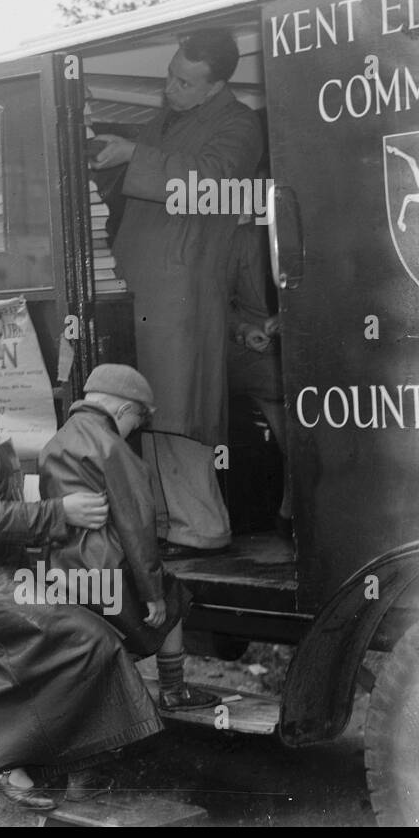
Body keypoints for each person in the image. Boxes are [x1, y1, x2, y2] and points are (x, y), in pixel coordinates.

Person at [0, 290, 164, 825]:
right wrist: (58, 512)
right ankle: (42, 763)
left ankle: (10, 759)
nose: (0, 352)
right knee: (88, 640)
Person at [92, 28, 265, 558]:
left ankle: (202, 526)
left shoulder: (239, 125)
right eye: (170, 74)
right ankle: (172, 525)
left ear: (216, 86)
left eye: (185, 82)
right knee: (151, 408)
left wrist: (134, 155)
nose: (171, 87)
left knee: (178, 409)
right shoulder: (167, 118)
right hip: (143, 286)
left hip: (180, 290)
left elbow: (208, 181)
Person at [40, 364, 221, 710]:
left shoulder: (56, 440)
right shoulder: (113, 449)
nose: (133, 431)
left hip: (64, 566)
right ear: (124, 411)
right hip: (106, 568)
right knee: (175, 600)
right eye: (136, 423)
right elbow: (136, 526)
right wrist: (153, 593)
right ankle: (173, 690)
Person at [227, 218, 291, 539]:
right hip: (252, 353)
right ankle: (290, 507)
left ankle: (289, 507)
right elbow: (216, 305)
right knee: (282, 383)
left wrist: (290, 315)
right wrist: (245, 330)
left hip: (300, 345)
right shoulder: (241, 239)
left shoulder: (309, 233)